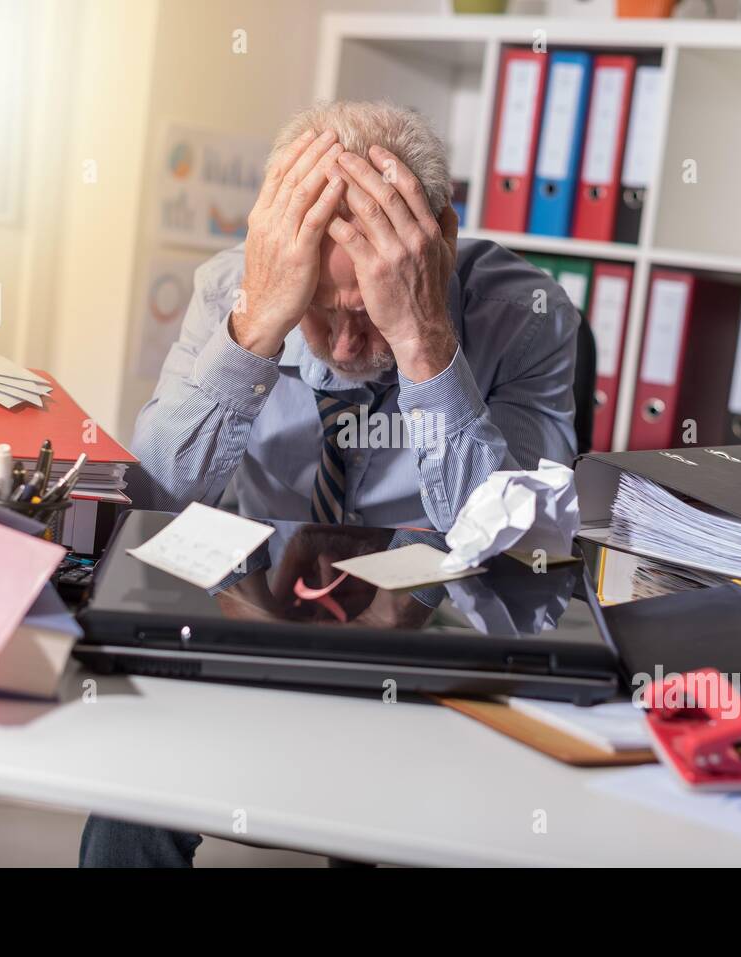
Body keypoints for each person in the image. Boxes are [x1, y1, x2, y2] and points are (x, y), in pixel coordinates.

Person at [80, 100, 580, 867]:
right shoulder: (230, 290)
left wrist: (422, 342)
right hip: (253, 615)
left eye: (368, 312)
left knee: (417, 810)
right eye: (318, 311)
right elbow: (151, 499)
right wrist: (254, 331)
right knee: (134, 781)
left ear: (438, 241)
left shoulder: (528, 316)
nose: (346, 344)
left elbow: (517, 541)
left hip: (437, 632)